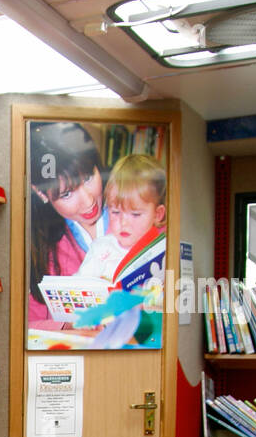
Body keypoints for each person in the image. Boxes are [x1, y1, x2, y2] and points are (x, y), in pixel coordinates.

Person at [27, 122, 108, 330]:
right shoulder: (43, 249)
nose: (88, 200)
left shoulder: (136, 213)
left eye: (89, 178)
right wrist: (67, 325)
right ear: (41, 193)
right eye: (67, 194)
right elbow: (27, 324)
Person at [76, 153, 167, 283]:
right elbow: (78, 284)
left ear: (157, 214)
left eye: (135, 214)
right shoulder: (100, 248)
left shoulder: (161, 251)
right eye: (116, 212)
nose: (123, 223)